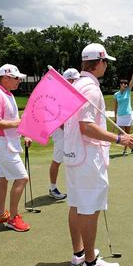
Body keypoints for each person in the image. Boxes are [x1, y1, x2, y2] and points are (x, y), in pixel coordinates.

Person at [63, 43, 133, 266]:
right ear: (99, 62)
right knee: (89, 209)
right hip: (87, 157)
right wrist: (119, 138)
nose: (107, 66)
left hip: (74, 155)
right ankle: (91, 263)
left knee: (76, 204)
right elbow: (87, 127)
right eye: (106, 62)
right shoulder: (91, 89)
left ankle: (79, 254)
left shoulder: (76, 86)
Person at [0, 64, 32, 232]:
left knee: (2, 176)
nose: (19, 81)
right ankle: (13, 217)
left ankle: (0, 213)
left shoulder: (7, 94)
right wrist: (18, 123)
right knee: (22, 178)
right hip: (2, 142)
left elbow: (11, 119)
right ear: (5, 78)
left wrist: (24, 132)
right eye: (16, 78)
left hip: (8, 141)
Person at [46, 68, 81, 200]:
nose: (77, 82)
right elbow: (58, 119)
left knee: (71, 158)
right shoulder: (59, 95)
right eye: (75, 80)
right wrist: (69, 130)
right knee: (58, 159)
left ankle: (74, 187)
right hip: (59, 132)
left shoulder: (70, 94)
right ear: (69, 80)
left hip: (67, 131)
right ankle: (53, 188)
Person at [113, 63, 133, 155]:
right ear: (120, 84)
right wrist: (115, 117)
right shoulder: (116, 94)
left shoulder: (128, 91)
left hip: (128, 115)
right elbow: (115, 106)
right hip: (120, 116)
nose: (124, 84)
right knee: (121, 134)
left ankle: (125, 150)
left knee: (127, 133)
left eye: (126, 83)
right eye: (123, 83)